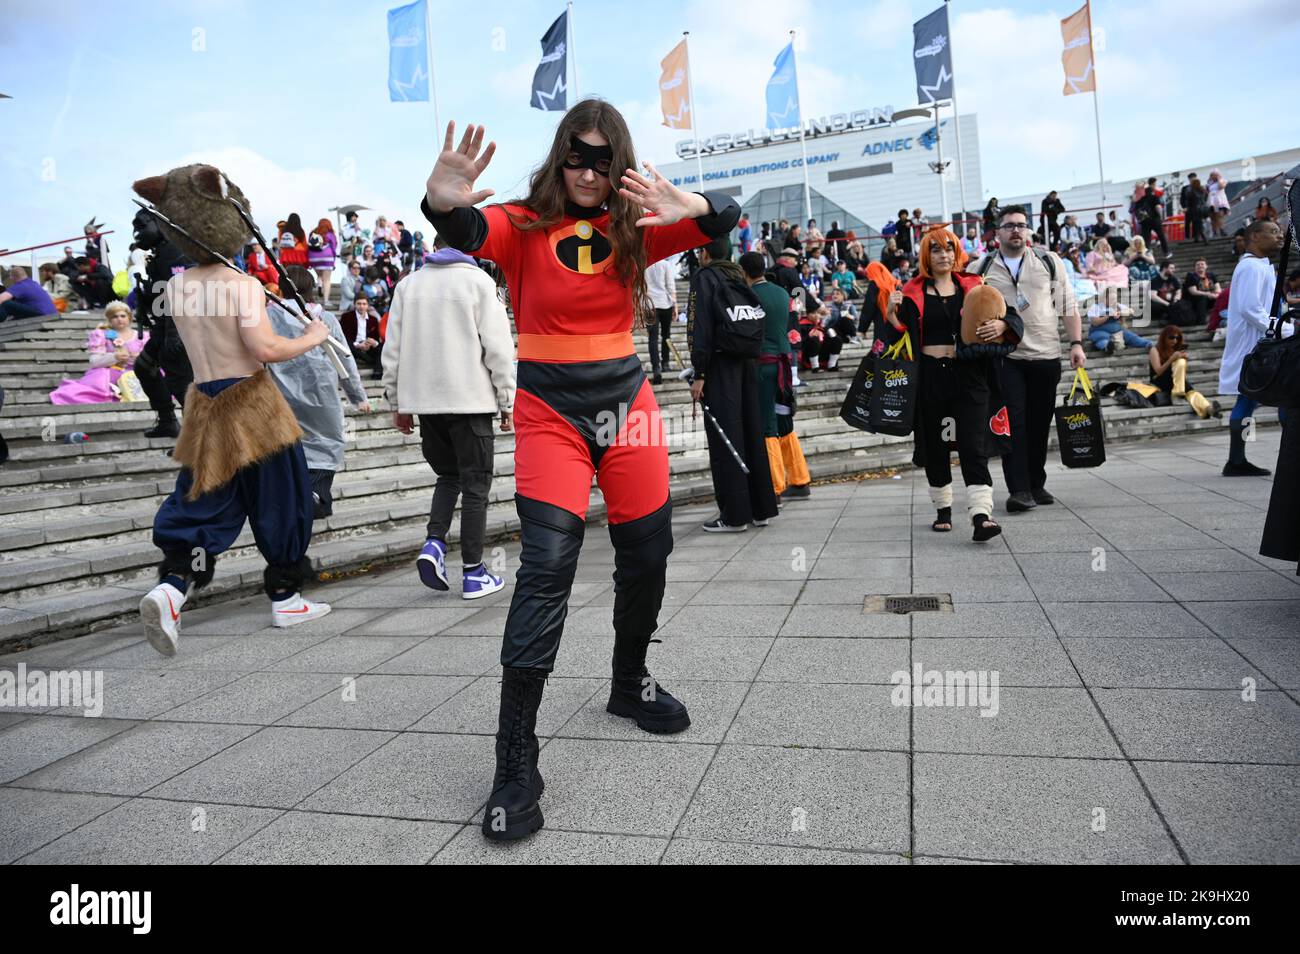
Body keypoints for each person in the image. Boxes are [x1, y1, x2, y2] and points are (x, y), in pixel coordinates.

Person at [419, 103, 740, 841]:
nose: (590, 173)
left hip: (625, 403)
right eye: (578, 157)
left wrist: (691, 204)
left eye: (604, 160)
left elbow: (726, 216)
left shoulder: (638, 226)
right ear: (560, 155)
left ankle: (628, 683)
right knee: (548, 564)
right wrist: (440, 197)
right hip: (549, 411)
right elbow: (464, 227)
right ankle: (515, 759)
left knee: (649, 553)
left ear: (619, 163)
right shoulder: (523, 223)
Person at [132, 163, 332, 657]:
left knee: (203, 499)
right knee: (280, 496)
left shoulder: (176, 287)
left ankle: (174, 587)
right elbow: (263, 348)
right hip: (252, 401)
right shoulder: (240, 284)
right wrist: (312, 336)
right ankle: (286, 596)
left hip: (204, 401)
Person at [384, 235, 515, 597]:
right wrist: (507, 401)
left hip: (427, 405)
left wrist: (397, 402)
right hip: (470, 401)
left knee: (448, 476)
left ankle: (434, 542)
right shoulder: (478, 282)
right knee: (476, 484)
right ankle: (473, 571)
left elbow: (392, 350)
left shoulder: (408, 286)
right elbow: (499, 348)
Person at [886, 227, 1020, 541]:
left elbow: (1006, 315)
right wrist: (892, 315)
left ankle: (981, 515)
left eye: (948, 248)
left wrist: (1002, 322)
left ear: (956, 252)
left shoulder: (975, 286)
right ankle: (943, 509)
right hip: (930, 377)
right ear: (926, 256)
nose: (943, 255)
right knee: (936, 445)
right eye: (936, 250)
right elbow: (897, 338)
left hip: (969, 375)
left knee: (974, 444)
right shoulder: (912, 292)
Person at [969, 206, 1084, 512]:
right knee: (1014, 424)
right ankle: (1019, 489)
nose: (1016, 230)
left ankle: (1036, 483)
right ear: (997, 233)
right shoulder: (981, 266)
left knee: (1039, 422)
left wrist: (1076, 343)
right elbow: (966, 307)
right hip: (1005, 357)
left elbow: (1068, 304)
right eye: (1009, 226)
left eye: (1021, 225)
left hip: (1046, 352)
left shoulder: (1048, 260)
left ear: (1029, 231)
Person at [689, 236, 778, 531]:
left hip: (720, 365)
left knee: (725, 438)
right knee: (752, 433)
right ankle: (761, 508)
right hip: (747, 363)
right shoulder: (736, 275)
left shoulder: (705, 277)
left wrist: (699, 372)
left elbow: (700, 326)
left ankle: (734, 515)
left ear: (704, 253)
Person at [266, 266, 369, 519]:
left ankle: (291, 497)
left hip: (280, 390)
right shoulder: (325, 319)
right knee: (325, 445)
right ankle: (317, 495)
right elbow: (345, 361)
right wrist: (358, 397)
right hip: (320, 391)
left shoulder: (268, 316)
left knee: (288, 445)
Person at [1219, 219, 1290, 476]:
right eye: (1273, 232)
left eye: (1280, 231)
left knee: (1249, 403)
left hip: (1262, 345)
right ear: (1255, 237)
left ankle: (1239, 458)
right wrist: (1288, 328)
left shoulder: (1261, 266)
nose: (1280, 236)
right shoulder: (1251, 267)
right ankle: (1239, 459)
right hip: (1256, 348)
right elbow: (1251, 310)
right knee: (1281, 399)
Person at [741, 251, 811, 501]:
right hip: (784, 363)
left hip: (763, 365)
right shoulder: (782, 293)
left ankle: (774, 485)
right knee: (785, 421)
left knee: (767, 423)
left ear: (744, 272)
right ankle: (800, 480)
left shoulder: (749, 296)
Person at [130, 206, 193, 439]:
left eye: (141, 227)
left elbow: (185, 293)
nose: (137, 235)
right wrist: (147, 297)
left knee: (183, 384)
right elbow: (165, 292)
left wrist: (175, 334)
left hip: (181, 329)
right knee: (144, 368)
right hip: (164, 326)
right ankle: (167, 421)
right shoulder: (161, 252)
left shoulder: (175, 251)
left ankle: (198, 442)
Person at [49, 302, 148, 403]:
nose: (119, 319)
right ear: (109, 320)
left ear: (129, 318)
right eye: (115, 316)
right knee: (100, 380)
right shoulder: (101, 335)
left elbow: (156, 358)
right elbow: (95, 361)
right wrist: (114, 357)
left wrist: (141, 357)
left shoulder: (143, 336)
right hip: (113, 372)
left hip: (139, 371)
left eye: (123, 316)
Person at [1148, 325, 1218, 419]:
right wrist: (1171, 359)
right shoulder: (1154, 350)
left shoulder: (1175, 349)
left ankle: (1208, 408)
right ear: (1164, 337)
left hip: (1173, 381)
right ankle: (1177, 394)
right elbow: (1158, 371)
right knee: (1180, 364)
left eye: (1177, 338)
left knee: (1190, 390)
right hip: (1158, 381)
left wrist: (1182, 358)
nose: (1174, 341)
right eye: (1171, 337)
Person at [1087, 284, 1154, 354]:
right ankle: (1107, 347)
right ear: (1105, 298)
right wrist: (1107, 316)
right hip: (1099, 331)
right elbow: (1094, 322)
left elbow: (1131, 311)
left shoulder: (1118, 306)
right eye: (1111, 299)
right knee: (1102, 338)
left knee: (1131, 337)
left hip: (1117, 331)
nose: (1113, 301)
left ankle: (1147, 344)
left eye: (1114, 299)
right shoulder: (1096, 307)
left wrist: (1120, 312)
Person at [644, 253, 677, 384]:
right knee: (666, 335)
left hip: (649, 305)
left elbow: (640, 287)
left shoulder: (643, 265)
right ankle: (666, 364)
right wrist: (675, 306)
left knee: (652, 338)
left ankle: (656, 368)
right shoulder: (666, 264)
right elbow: (670, 286)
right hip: (665, 304)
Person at [338, 293, 383, 379]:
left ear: (368, 306)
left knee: (381, 346)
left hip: (368, 346)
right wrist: (357, 345)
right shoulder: (346, 317)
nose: (361, 306)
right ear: (354, 304)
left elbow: (376, 338)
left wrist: (373, 343)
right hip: (353, 346)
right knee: (346, 345)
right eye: (359, 304)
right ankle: (369, 360)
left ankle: (378, 372)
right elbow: (343, 337)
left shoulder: (373, 320)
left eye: (364, 304)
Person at [1181, 259, 1221, 327]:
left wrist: (1217, 294)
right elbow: (1193, 291)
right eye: (1198, 265)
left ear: (1206, 266)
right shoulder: (1191, 276)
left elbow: (1218, 288)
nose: (1200, 266)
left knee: (1221, 297)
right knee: (1202, 298)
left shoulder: (1211, 275)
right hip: (1194, 301)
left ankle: (1220, 319)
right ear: (1195, 267)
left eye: (1202, 264)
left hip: (1209, 298)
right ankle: (1201, 321)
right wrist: (1208, 294)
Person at [307, 218, 337, 305]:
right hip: (327, 258)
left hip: (314, 259)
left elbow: (309, 246)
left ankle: (319, 285)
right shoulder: (330, 234)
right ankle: (326, 301)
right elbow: (334, 247)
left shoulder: (313, 233)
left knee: (319, 275)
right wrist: (333, 261)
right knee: (327, 280)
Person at [1135, 179, 1169, 255]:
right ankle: (1166, 252)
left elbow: (1135, 209)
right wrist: (1161, 217)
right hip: (1155, 219)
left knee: (1146, 238)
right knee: (1161, 235)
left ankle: (1147, 251)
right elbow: (1158, 207)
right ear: (1152, 191)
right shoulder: (1154, 197)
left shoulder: (1140, 200)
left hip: (1144, 221)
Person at [1150, 259, 1186, 326]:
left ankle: (1169, 318)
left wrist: (1176, 299)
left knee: (1182, 304)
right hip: (1160, 303)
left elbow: (1179, 291)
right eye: (1171, 268)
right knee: (1155, 306)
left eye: (1173, 268)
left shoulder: (1173, 279)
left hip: (1172, 302)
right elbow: (1153, 296)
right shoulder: (1155, 280)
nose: (1173, 270)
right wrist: (1167, 304)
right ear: (1164, 268)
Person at [1182, 173, 1208, 244]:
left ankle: (1204, 239)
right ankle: (1196, 237)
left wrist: (1187, 207)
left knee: (1197, 224)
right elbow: (1205, 198)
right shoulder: (1202, 190)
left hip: (1194, 210)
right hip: (1202, 209)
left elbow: (1188, 200)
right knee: (1198, 224)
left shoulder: (1191, 192)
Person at [1207, 169, 1230, 237]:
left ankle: (1221, 229)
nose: (1212, 176)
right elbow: (1208, 191)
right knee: (1213, 217)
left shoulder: (1222, 180)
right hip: (1212, 201)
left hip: (1220, 200)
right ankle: (1215, 231)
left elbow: (1221, 186)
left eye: (1213, 175)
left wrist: (1219, 179)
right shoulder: (1210, 183)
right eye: (1211, 175)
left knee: (1219, 216)